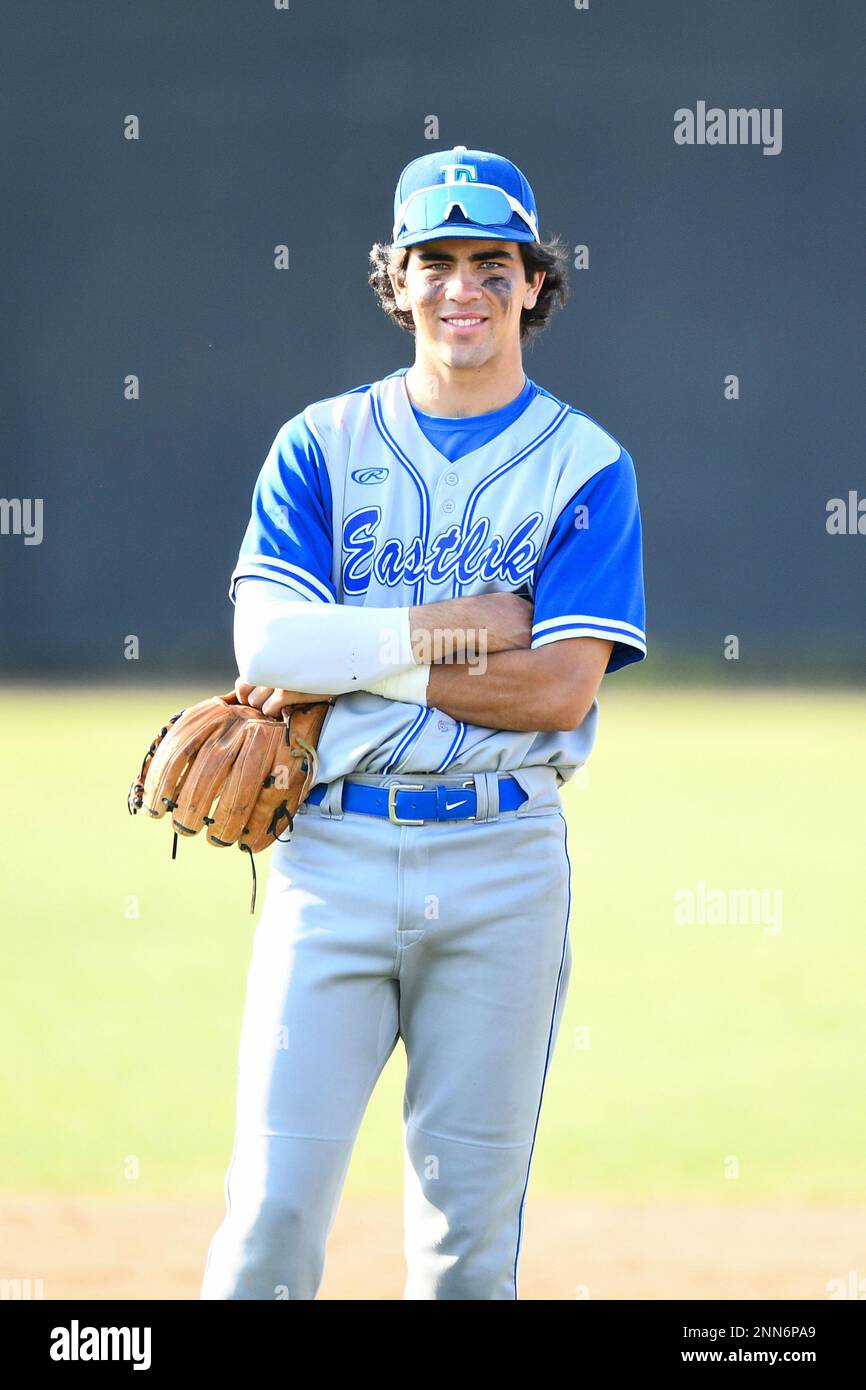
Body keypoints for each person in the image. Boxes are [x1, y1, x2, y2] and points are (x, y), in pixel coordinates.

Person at [200, 144, 647, 1301]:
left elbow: (557, 691)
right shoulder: (320, 445)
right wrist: (454, 626)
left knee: (462, 1256)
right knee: (268, 1221)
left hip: (503, 865)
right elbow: (267, 650)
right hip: (330, 858)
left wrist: (356, 663)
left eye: (489, 262)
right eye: (433, 260)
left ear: (533, 282)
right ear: (395, 281)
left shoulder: (586, 467)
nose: (462, 286)